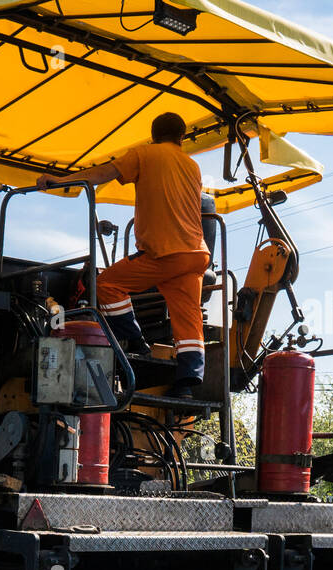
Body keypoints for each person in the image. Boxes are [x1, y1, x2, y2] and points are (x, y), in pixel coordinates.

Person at [37, 111, 210, 398]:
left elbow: (102, 173)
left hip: (164, 253)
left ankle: (135, 343)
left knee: (107, 284)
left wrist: (59, 180)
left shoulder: (144, 154)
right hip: (195, 256)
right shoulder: (192, 165)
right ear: (182, 138)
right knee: (188, 320)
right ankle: (187, 383)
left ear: (154, 136)